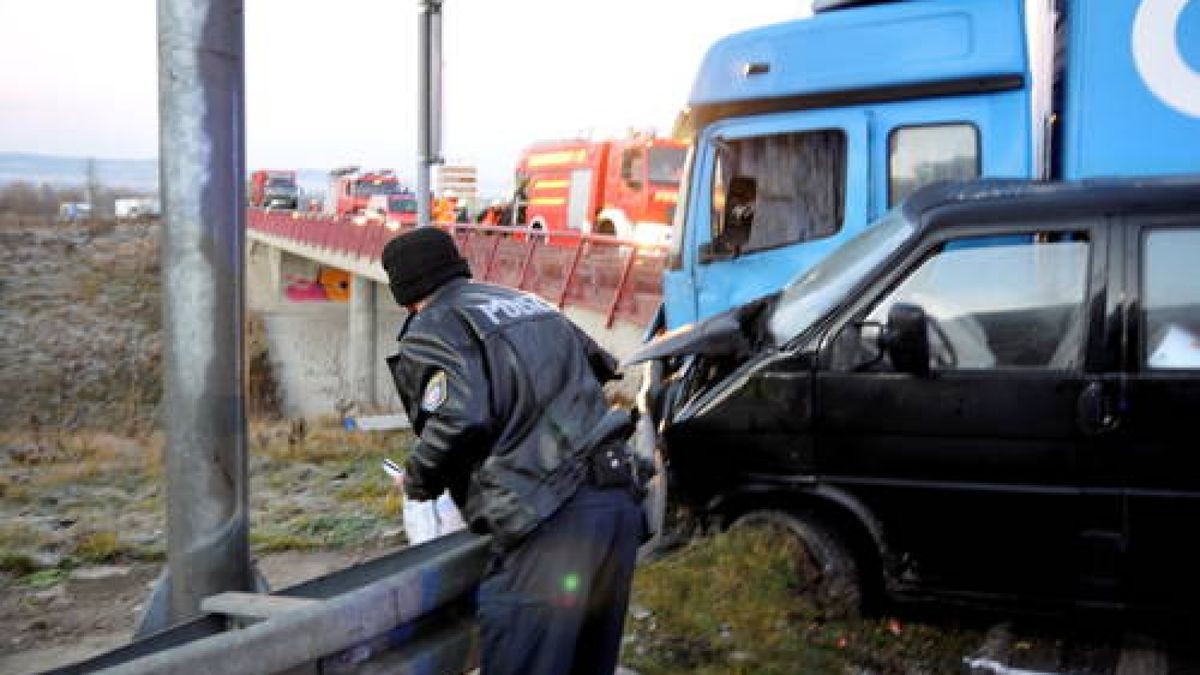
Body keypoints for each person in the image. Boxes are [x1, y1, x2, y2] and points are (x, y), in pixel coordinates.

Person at [381, 227, 646, 675]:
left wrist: (419, 478)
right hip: (615, 504)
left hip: (549, 520)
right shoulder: (527, 303)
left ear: (406, 294)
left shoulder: (434, 324)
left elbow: (459, 417)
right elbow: (602, 365)